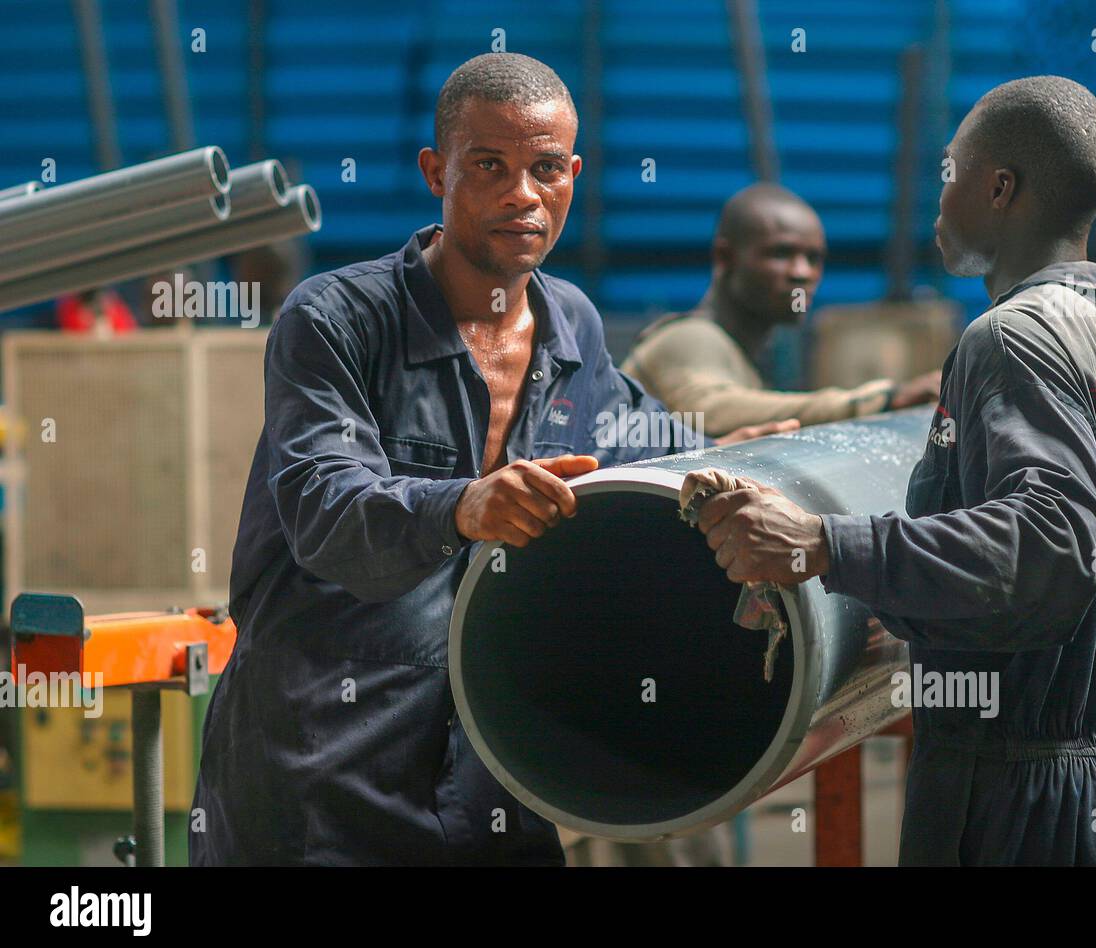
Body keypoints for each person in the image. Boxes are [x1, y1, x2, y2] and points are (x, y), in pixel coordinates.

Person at [190, 52, 782, 866]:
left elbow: (640, 432)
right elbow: (326, 510)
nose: (523, 196)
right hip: (318, 779)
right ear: (437, 170)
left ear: (573, 173)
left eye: (546, 169)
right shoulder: (336, 321)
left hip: (495, 776)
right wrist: (463, 506)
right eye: (490, 167)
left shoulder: (571, 326)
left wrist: (752, 458)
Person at [691, 75, 1096, 865]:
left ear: (1000, 188)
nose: (938, 201)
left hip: (1020, 812)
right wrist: (875, 598)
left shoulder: (1010, 338)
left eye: (950, 174)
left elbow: (1050, 551)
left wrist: (825, 543)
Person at [620, 183, 940, 437]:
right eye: (781, 253)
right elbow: (711, 410)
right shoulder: (690, 337)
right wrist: (879, 401)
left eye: (814, 258)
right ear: (725, 257)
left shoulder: (738, 354)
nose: (803, 273)